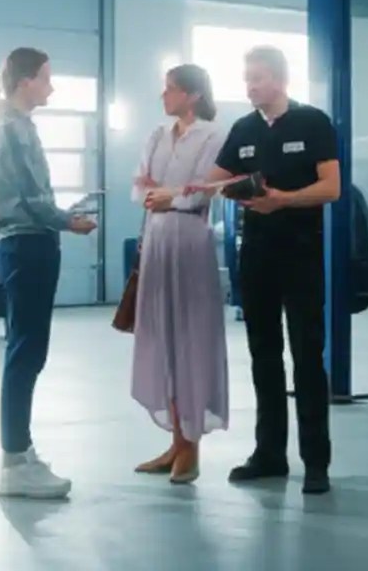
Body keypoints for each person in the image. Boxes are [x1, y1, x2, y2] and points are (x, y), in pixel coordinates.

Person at [203, 44, 340, 495]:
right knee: (264, 354)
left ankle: (315, 461)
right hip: (256, 255)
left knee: (306, 354)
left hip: (300, 254)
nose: (250, 85)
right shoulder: (243, 129)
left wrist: (282, 199)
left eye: (257, 77)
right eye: (247, 78)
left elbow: (332, 188)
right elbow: (216, 179)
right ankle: (269, 454)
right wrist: (189, 188)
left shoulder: (313, 122)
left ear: (280, 80)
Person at [0, 47, 97, 499]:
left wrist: (63, 217)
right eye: (47, 78)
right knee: (26, 352)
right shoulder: (12, 130)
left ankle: (19, 451)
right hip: (26, 245)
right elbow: (31, 199)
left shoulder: (14, 127)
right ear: (26, 81)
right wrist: (69, 220)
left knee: (26, 350)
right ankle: (14, 462)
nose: (51, 86)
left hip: (27, 244)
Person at [129, 64, 230, 485]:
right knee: (163, 337)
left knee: (190, 338)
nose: (163, 96)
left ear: (190, 95)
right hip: (156, 242)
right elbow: (139, 188)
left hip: (190, 242)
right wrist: (168, 194)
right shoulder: (156, 135)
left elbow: (204, 190)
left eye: (170, 89)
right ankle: (175, 439)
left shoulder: (214, 135)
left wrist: (171, 195)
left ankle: (192, 445)